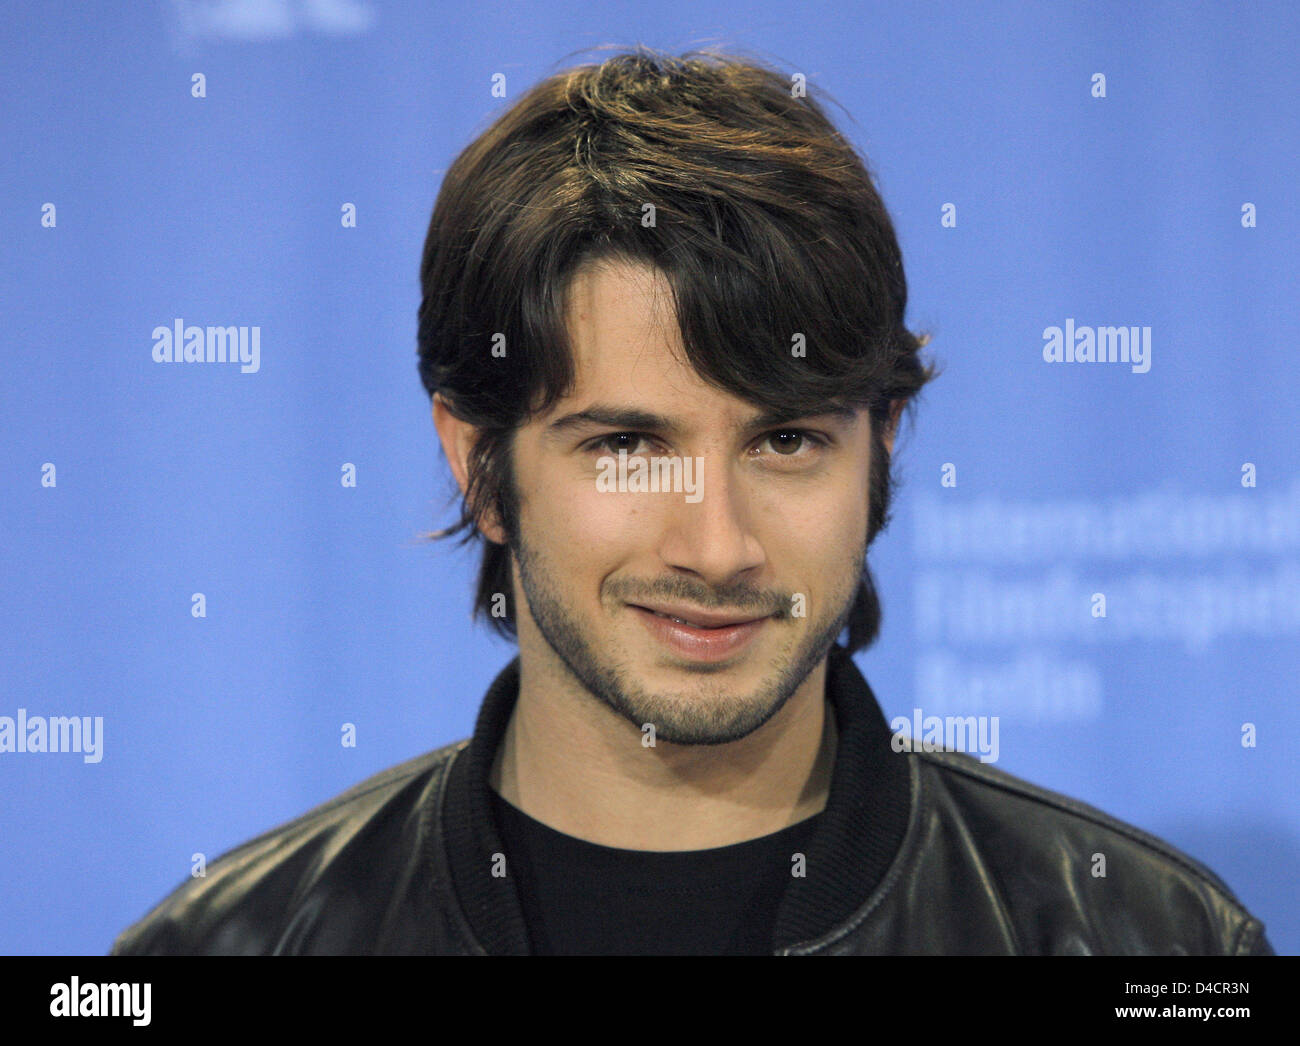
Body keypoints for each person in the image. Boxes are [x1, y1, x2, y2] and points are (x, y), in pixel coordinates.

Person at [111, 47, 1273, 956]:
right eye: (626, 444)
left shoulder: (1140, 937)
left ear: (881, 449)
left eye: (785, 440)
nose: (715, 544)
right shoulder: (231, 945)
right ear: (479, 465)